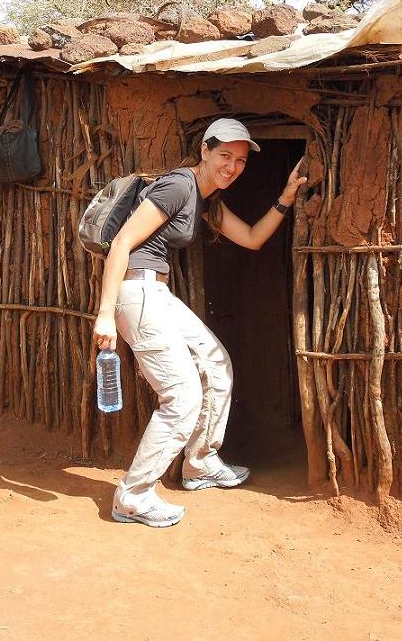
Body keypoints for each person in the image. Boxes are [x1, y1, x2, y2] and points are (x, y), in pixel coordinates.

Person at [92, 117, 307, 527]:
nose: (232, 166)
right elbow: (121, 243)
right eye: (224, 155)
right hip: (136, 292)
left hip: (155, 292)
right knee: (182, 395)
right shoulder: (178, 186)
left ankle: (200, 462)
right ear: (205, 151)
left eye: (240, 161)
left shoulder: (205, 200)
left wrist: (285, 197)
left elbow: (252, 237)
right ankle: (132, 496)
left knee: (216, 363)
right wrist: (104, 313)